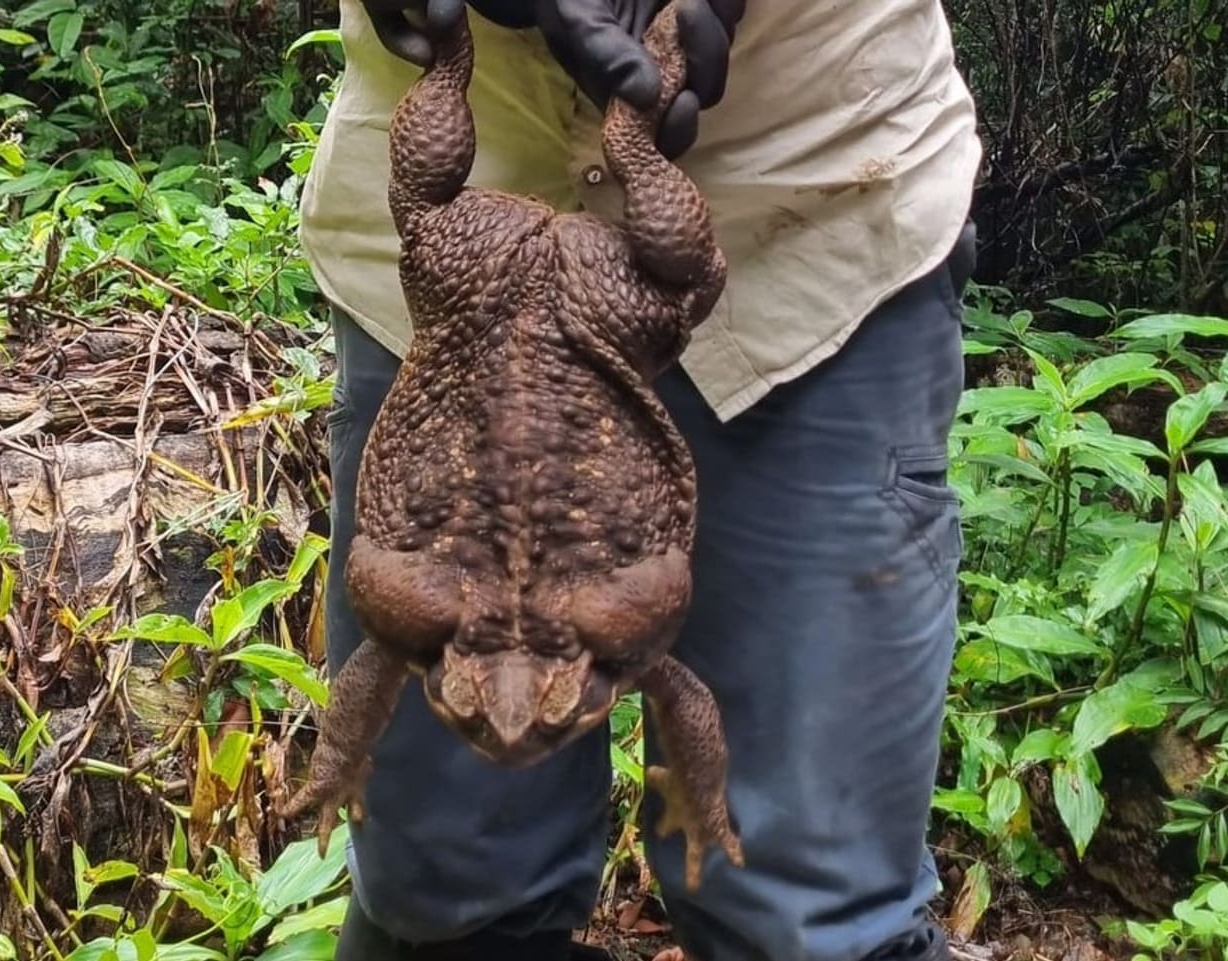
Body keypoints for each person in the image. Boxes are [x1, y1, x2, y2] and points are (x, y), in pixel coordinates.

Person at [297, 0, 982, 959]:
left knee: (807, 920)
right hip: (456, 274)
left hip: (805, 209)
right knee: (438, 898)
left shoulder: (571, 633)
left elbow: (668, 666)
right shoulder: (467, 631)